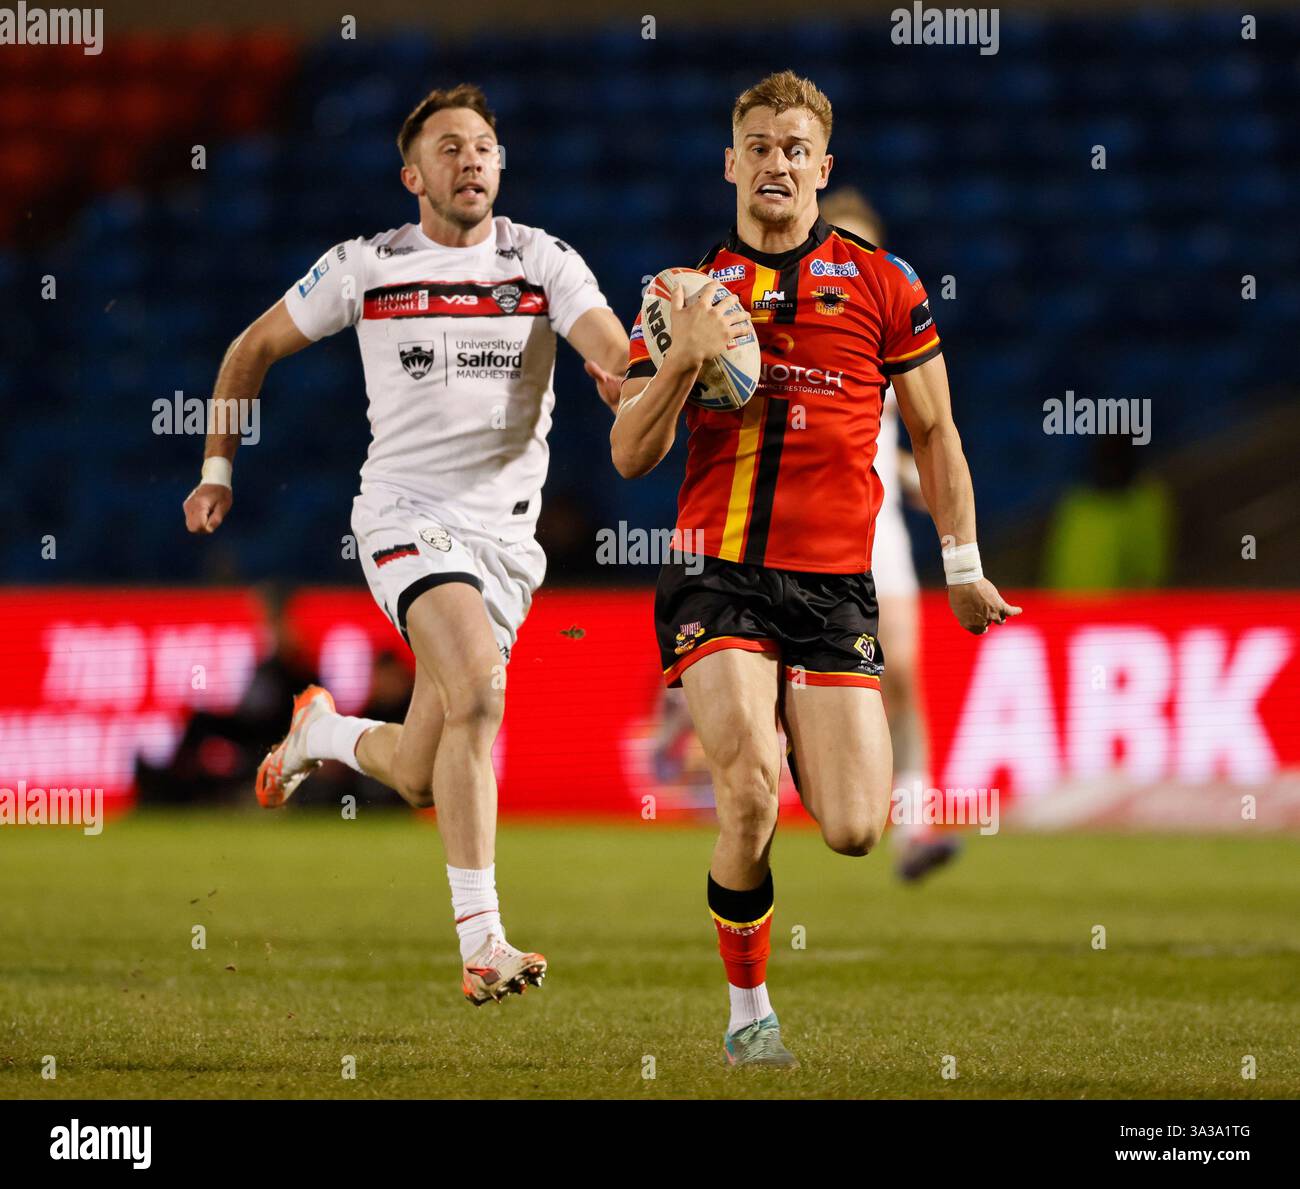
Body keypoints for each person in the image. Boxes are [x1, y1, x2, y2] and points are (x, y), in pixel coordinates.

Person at [183, 83, 628, 1006]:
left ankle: (323, 730)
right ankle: (483, 944)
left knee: (426, 772)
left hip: (506, 548)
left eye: (484, 147)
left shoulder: (543, 260)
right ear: (412, 174)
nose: (472, 160)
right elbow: (246, 351)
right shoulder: (366, 266)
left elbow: (616, 355)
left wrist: (646, 373)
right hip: (403, 517)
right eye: (450, 147)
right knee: (480, 688)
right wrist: (218, 469)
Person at [610, 71, 1021, 1067]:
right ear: (730, 163)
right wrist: (678, 360)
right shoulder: (678, 294)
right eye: (758, 145)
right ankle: (749, 1015)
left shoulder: (886, 284)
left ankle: (793, 715)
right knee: (747, 795)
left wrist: (961, 565)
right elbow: (628, 454)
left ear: (821, 166)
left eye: (795, 148)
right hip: (720, 573)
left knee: (850, 829)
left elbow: (934, 430)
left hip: (837, 585)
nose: (776, 163)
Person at [818, 187, 958, 882]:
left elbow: (903, 438)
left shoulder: (889, 326)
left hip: (880, 533)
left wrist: (918, 485)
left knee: (900, 676)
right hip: (807, 531)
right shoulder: (787, 326)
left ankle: (916, 826)